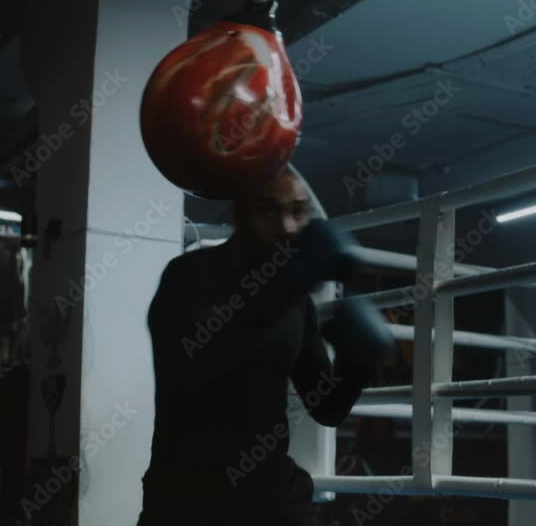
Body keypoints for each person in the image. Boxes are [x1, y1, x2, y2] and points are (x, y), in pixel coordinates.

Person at [138, 168, 393, 526]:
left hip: (271, 495)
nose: (288, 227)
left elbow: (326, 408)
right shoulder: (189, 276)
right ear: (240, 213)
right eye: (270, 211)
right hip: (187, 497)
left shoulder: (296, 302)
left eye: (299, 211)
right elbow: (202, 358)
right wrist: (289, 280)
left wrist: (357, 367)